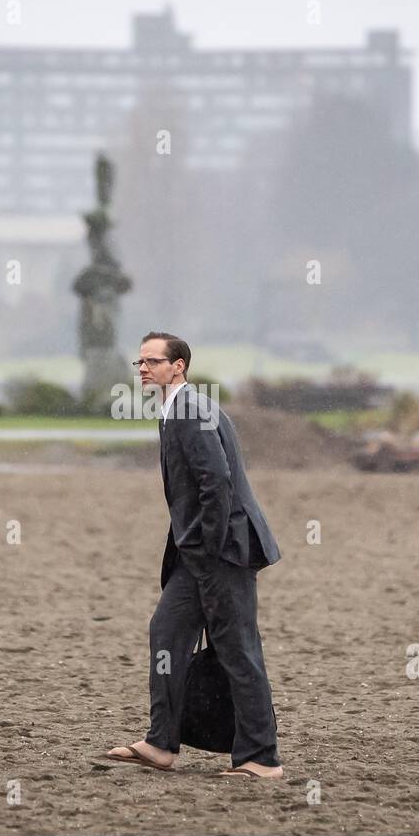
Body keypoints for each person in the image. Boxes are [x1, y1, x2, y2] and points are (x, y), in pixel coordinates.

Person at [106, 331, 284, 778]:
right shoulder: (175, 409)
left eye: (152, 361)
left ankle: (260, 759)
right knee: (166, 632)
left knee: (237, 649)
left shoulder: (190, 410)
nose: (143, 369)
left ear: (178, 366)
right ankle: (161, 743)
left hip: (223, 551)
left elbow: (216, 483)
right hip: (198, 553)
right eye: (140, 362)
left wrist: (207, 547)